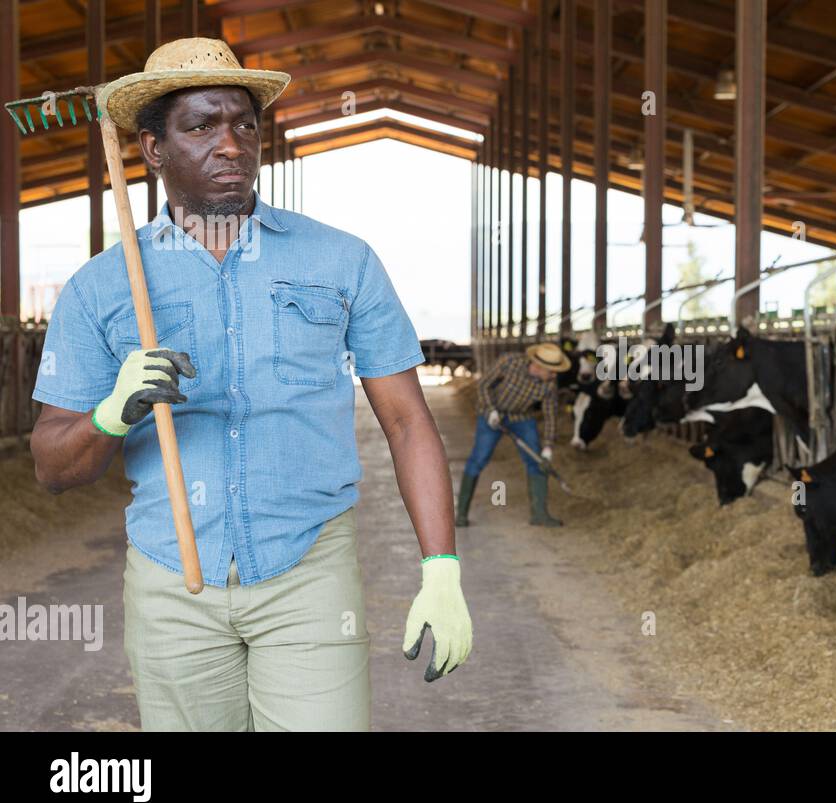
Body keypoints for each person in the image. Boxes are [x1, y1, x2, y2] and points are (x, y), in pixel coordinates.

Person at [29, 37, 471, 731]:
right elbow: (52, 466)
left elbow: (409, 422)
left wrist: (441, 566)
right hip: (171, 577)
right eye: (201, 126)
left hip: (308, 569)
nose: (231, 144)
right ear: (152, 149)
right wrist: (111, 414)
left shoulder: (341, 259)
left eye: (243, 124)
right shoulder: (105, 286)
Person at [456, 343, 569, 528]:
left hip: (521, 418)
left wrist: (548, 446)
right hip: (491, 416)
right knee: (478, 459)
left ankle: (539, 514)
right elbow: (484, 384)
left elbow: (550, 415)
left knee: (537, 461)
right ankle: (461, 514)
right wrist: (491, 410)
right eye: (553, 370)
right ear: (539, 367)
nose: (555, 375)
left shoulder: (549, 384)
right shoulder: (509, 362)